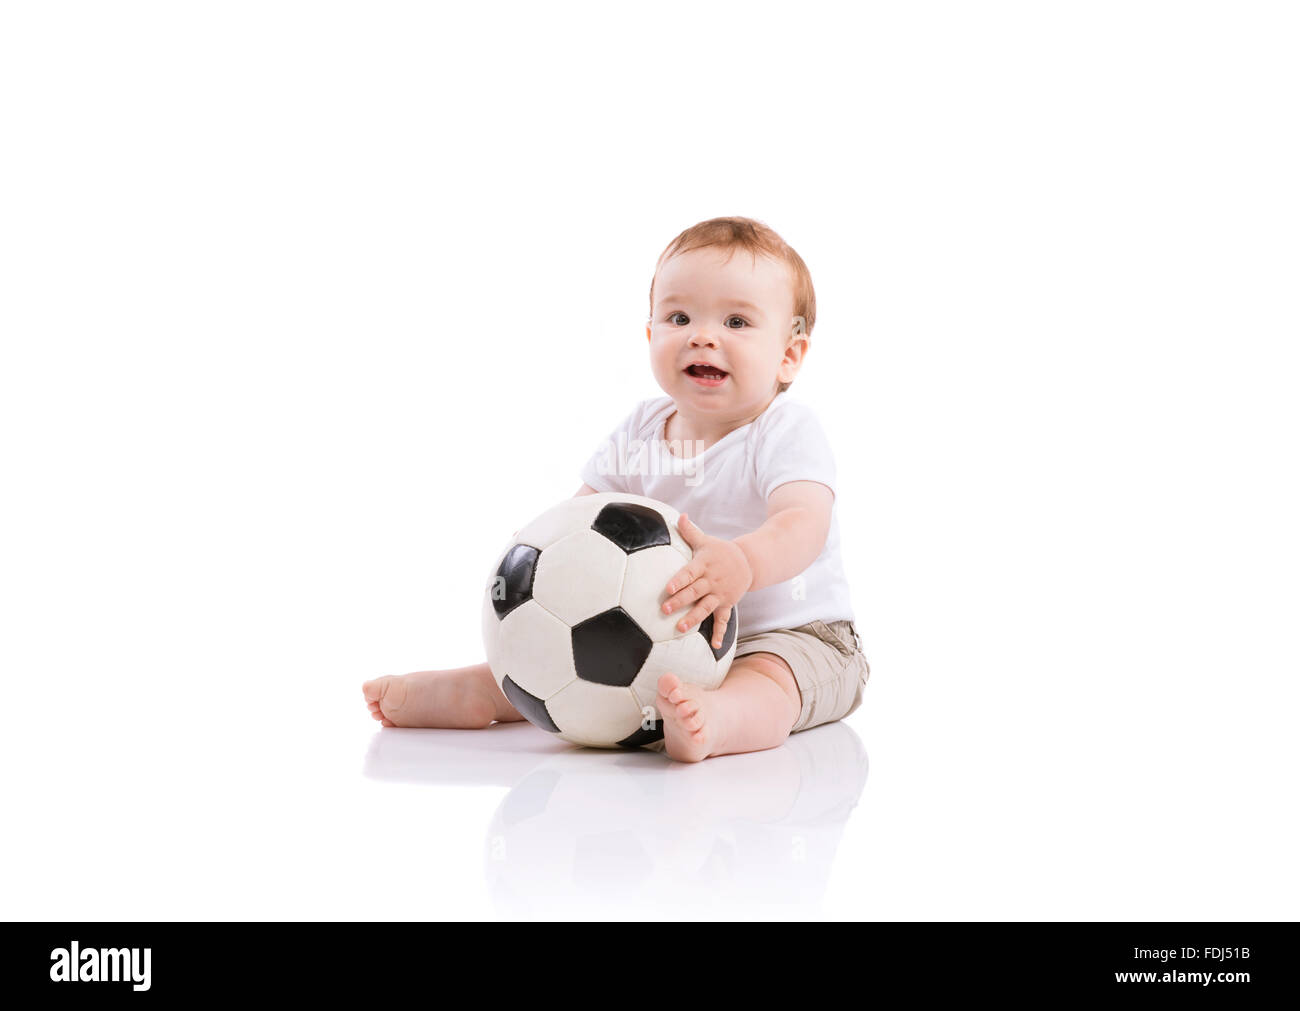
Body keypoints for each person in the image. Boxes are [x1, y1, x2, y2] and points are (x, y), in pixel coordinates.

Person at [363, 216, 869, 762]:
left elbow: (802, 523)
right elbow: (583, 516)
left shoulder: (783, 432)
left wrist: (743, 562)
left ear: (789, 355)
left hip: (792, 635)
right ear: (651, 335)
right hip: (665, 638)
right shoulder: (641, 429)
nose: (703, 335)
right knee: (554, 651)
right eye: (680, 317)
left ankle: (720, 721)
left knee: (769, 686)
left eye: (737, 321)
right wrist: (537, 547)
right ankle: (479, 690)